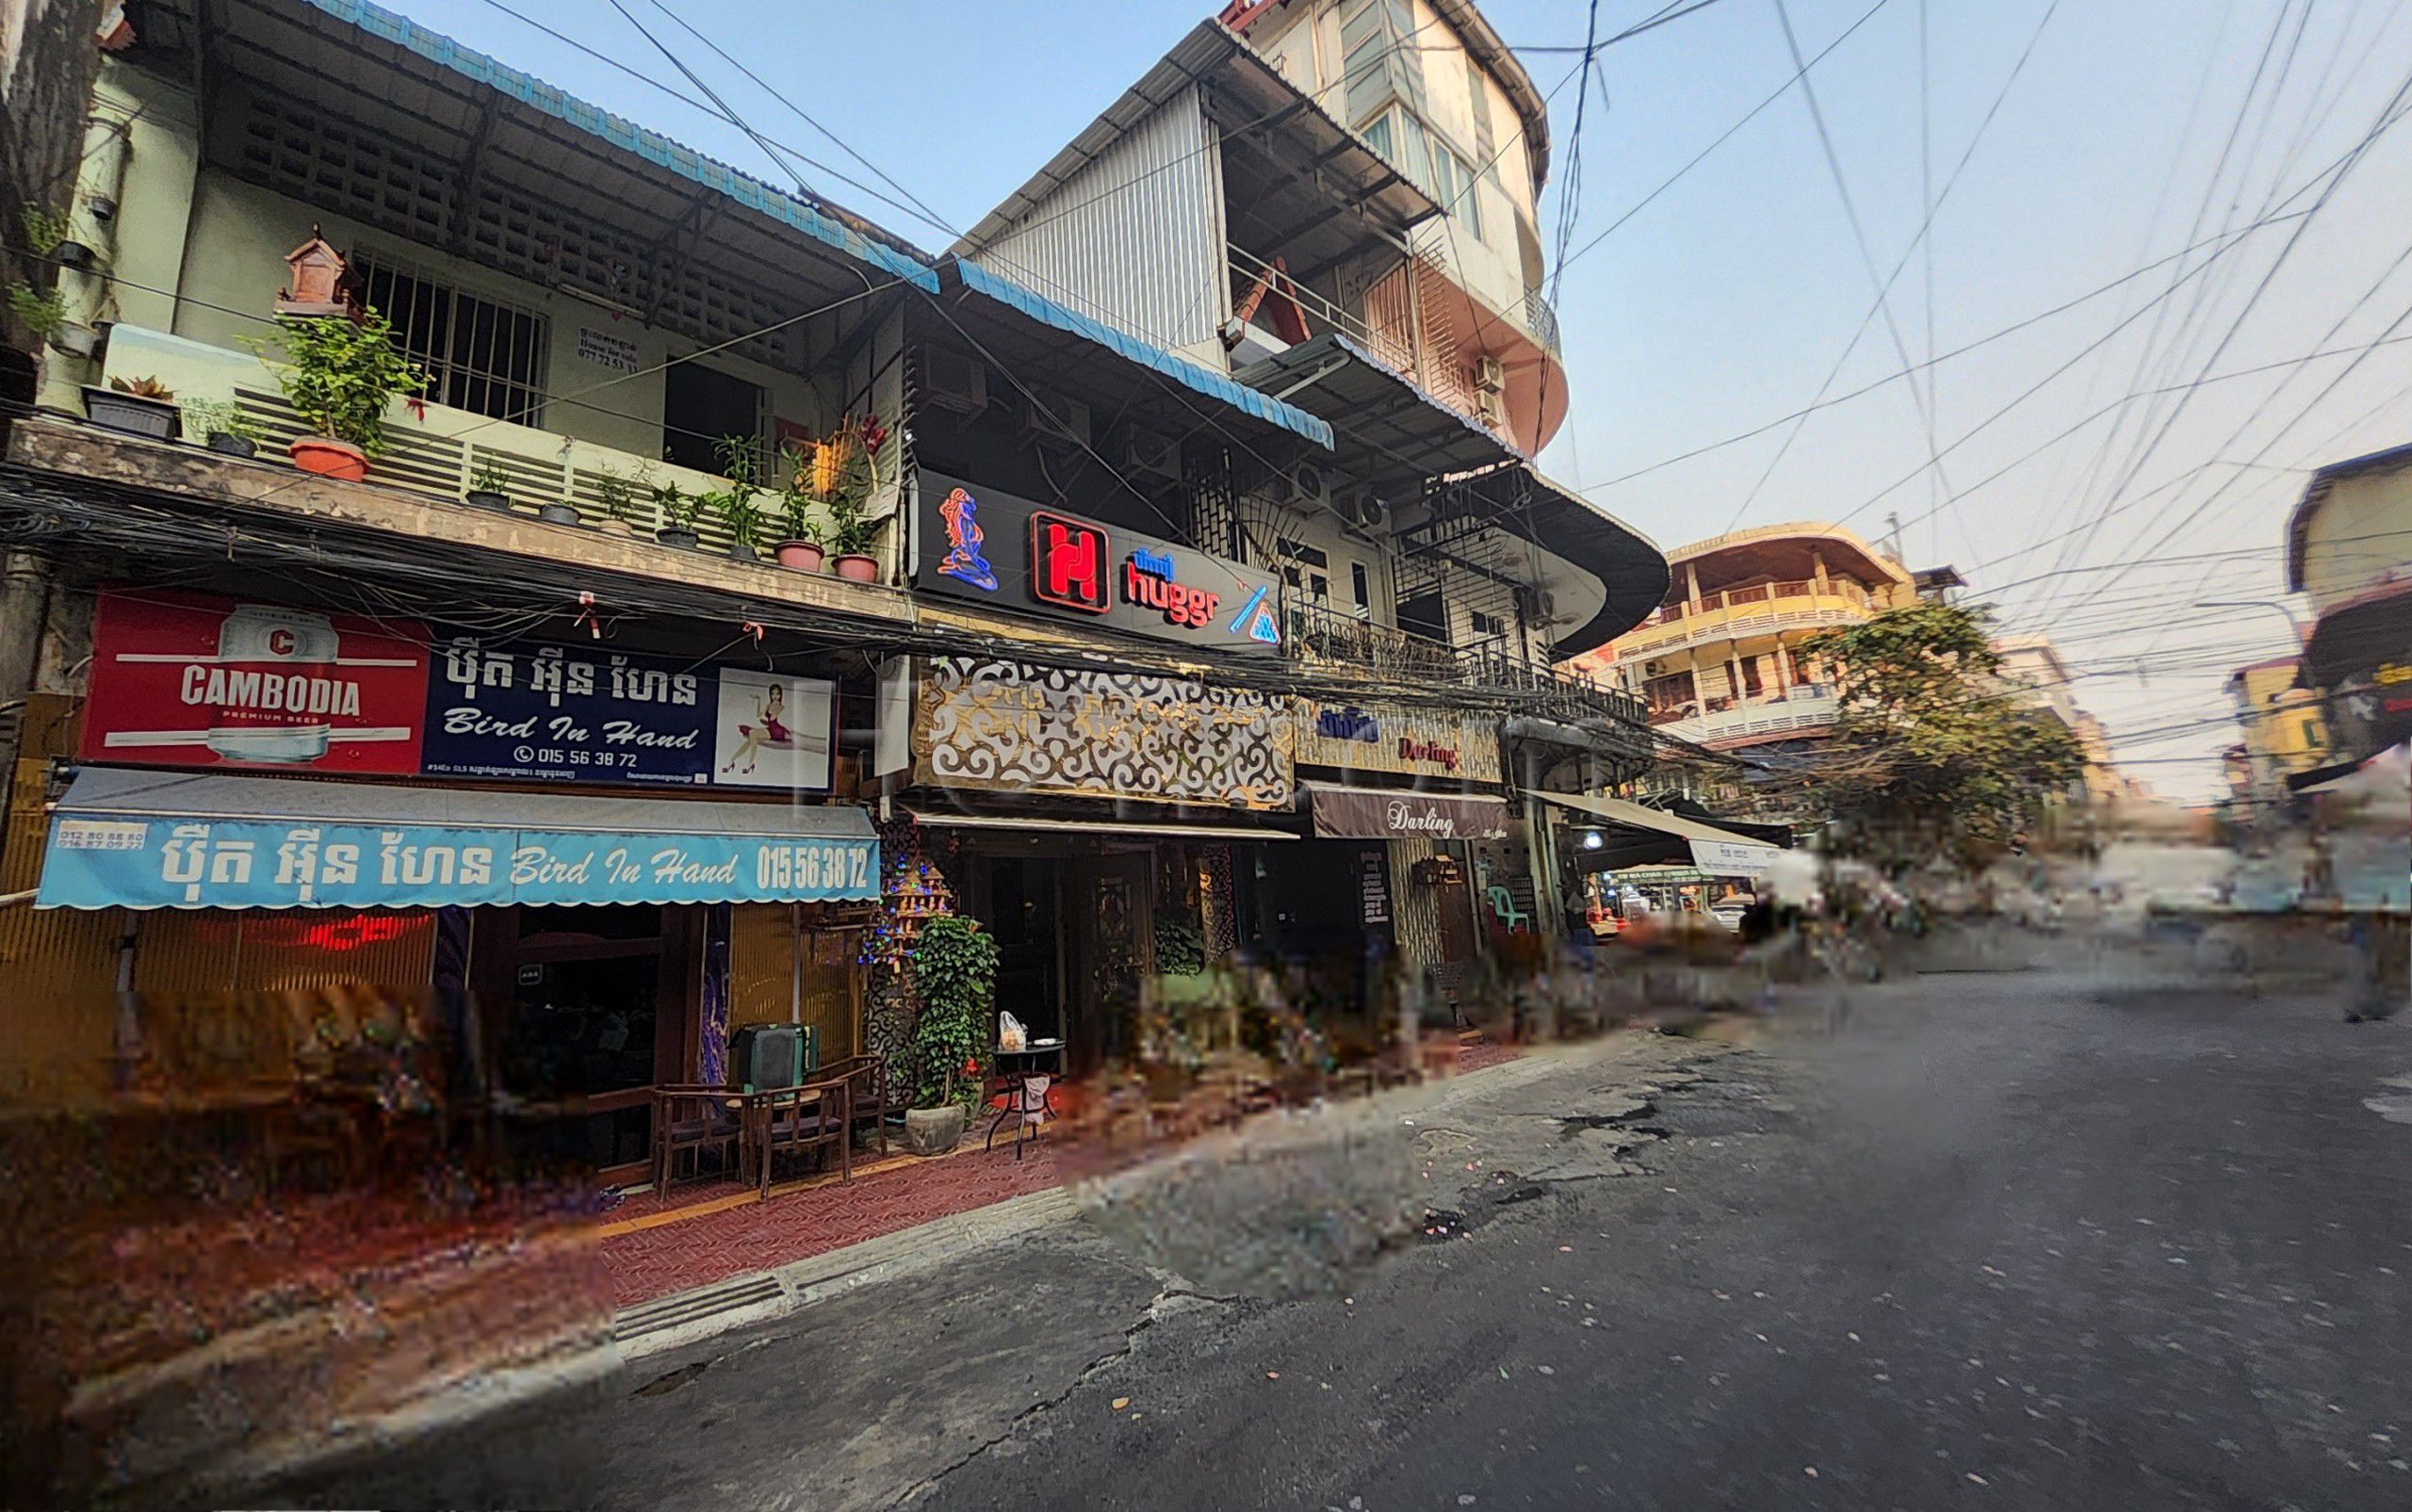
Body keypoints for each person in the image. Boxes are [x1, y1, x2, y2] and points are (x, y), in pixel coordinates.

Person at [722, 683, 791, 774]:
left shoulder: (780, 706)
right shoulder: (769, 705)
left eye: (777, 694)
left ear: (780, 695)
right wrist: (759, 701)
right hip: (770, 729)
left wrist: (769, 713)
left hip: (776, 731)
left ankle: (748, 763)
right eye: (773, 694)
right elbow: (759, 715)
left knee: (752, 733)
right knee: (750, 740)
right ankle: (732, 762)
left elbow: (773, 717)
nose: (775, 696)